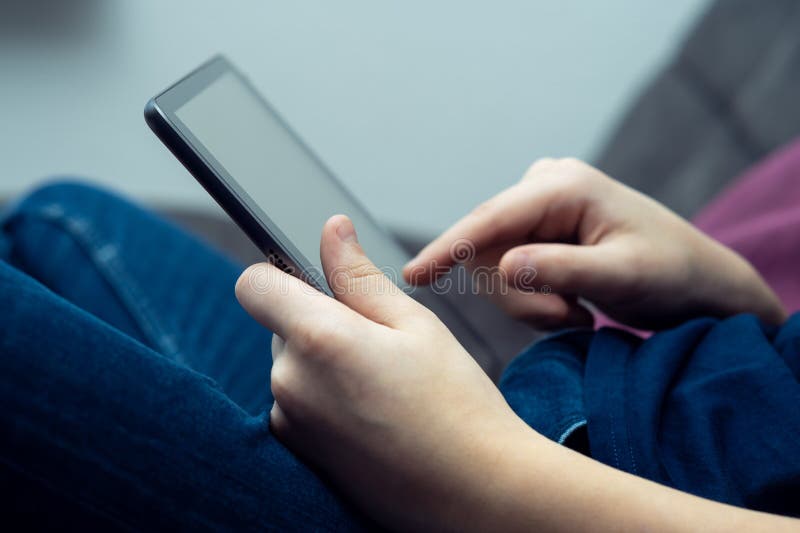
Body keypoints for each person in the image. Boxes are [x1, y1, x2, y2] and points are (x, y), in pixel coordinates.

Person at [1, 154, 799, 530]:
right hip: (562, 420)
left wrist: (474, 473)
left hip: (518, 500)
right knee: (58, 217)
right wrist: (733, 297)